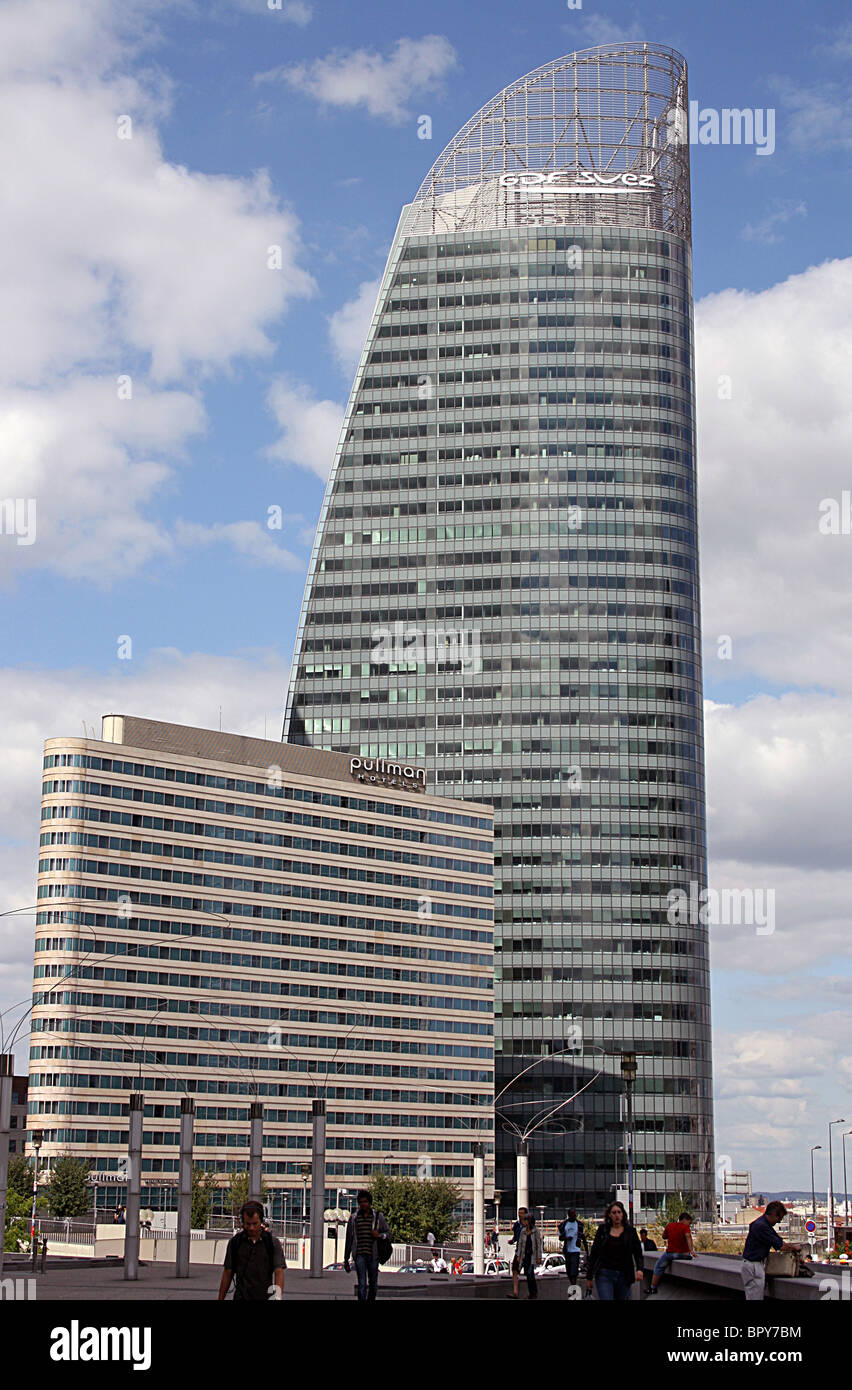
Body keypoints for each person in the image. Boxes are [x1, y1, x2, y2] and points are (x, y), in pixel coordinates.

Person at [218, 1201, 286, 1301]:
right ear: (243, 1222)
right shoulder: (235, 1242)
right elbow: (228, 1272)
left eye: (255, 1223)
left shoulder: (272, 1243)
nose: (251, 1228)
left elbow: (279, 1272)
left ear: (261, 1221)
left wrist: (277, 1297)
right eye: (248, 1224)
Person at [741, 1201, 801, 1301]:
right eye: (779, 1218)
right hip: (754, 1266)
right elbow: (780, 1245)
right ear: (773, 1214)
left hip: (754, 1265)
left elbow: (779, 1240)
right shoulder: (761, 1226)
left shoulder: (763, 1224)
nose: (778, 1222)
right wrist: (794, 1248)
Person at [585, 1200, 645, 1301]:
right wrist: (589, 1277)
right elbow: (594, 1253)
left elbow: (638, 1253)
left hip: (624, 1275)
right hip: (605, 1273)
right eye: (614, 1213)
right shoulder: (603, 1230)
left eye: (619, 1212)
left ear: (623, 1214)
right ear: (609, 1215)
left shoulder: (630, 1231)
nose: (617, 1215)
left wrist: (640, 1269)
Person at [343, 1189, 391, 1301]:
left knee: (373, 1284)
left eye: (365, 1202)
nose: (363, 1204)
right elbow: (349, 1239)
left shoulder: (378, 1217)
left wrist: (379, 1235)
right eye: (360, 1202)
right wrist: (346, 1259)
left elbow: (388, 1234)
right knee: (362, 1284)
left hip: (373, 1255)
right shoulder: (354, 1218)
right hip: (360, 1255)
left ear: (370, 1203)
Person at [648, 1211, 695, 1294]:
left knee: (658, 1267)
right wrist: (691, 1250)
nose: (689, 1225)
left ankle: (653, 1287)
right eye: (689, 1223)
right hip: (683, 1254)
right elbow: (688, 1236)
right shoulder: (685, 1227)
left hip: (670, 1254)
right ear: (684, 1220)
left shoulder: (670, 1225)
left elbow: (663, 1236)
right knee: (687, 1255)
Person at [516, 1214, 543, 1300]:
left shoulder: (536, 1231)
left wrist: (539, 1257)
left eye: (526, 1220)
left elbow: (539, 1245)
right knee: (527, 1274)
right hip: (525, 1256)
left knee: (530, 1273)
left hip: (532, 1256)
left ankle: (533, 1293)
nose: (524, 1222)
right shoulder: (523, 1231)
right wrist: (518, 1255)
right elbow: (520, 1244)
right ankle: (531, 1292)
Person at [560, 1208, 588, 1286]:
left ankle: (573, 1287)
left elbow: (583, 1238)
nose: (574, 1215)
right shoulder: (564, 1224)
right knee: (569, 1271)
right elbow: (560, 1237)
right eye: (572, 1214)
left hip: (576, 1250)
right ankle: (572, 1285)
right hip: (567, 1250)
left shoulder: (579, 1225)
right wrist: (566, 1238)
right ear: (569, 1215)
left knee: (574, 1271)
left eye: (574, 1214)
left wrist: (587, 1252)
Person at [507, 1205, 528, 1299]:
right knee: (514, 1270)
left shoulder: (529, 1226)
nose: (520, 1215)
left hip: (527, 1252)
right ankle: (515, 1292)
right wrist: (512, 1240)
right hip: (518, 1251)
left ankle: (530, 1293)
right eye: (519, 1213)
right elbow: (516, 1237)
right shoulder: (516, 1225)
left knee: (528, 1272)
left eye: (522, 1213)